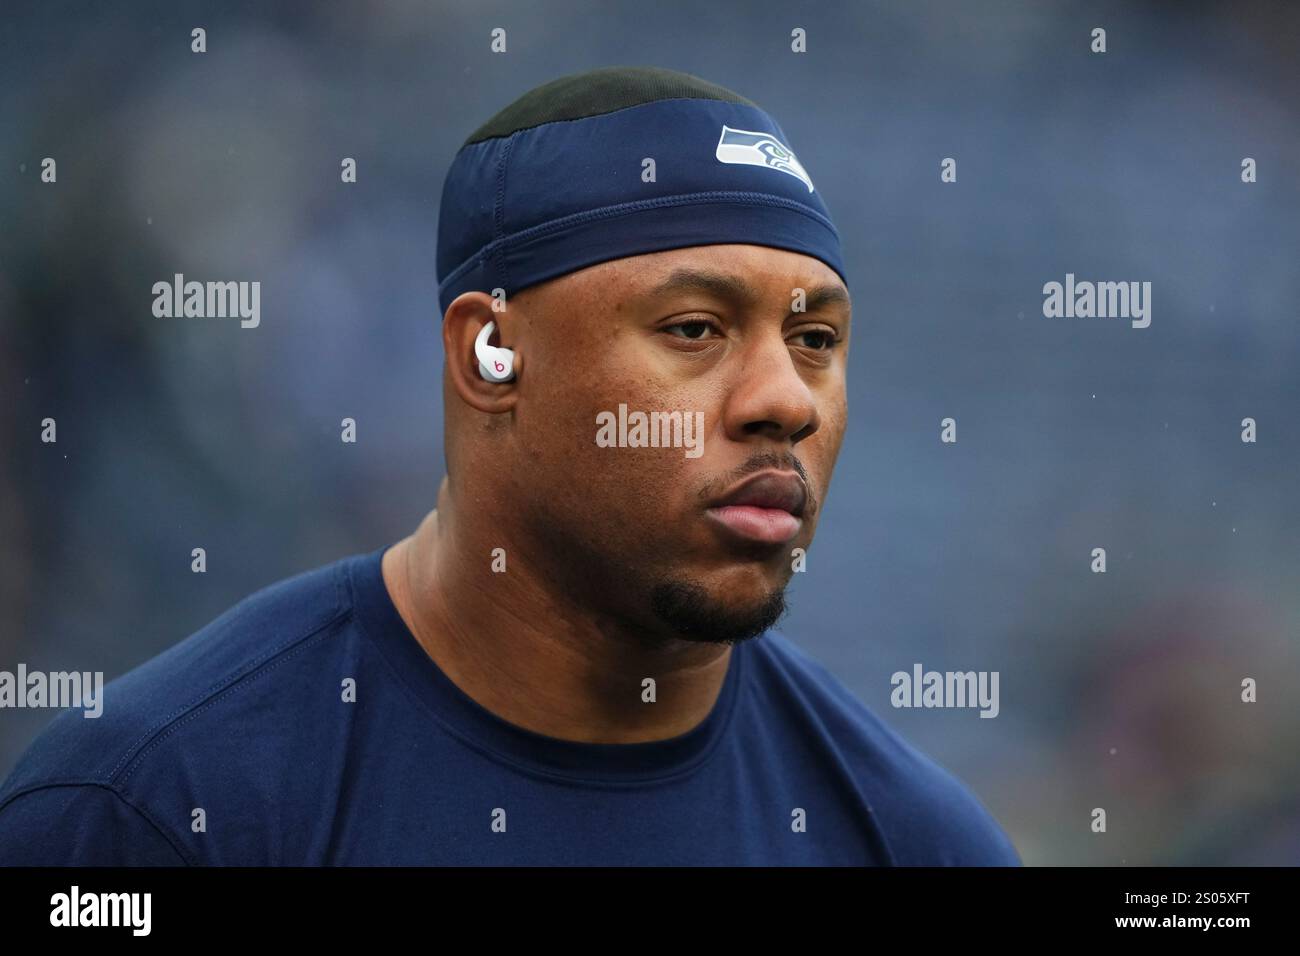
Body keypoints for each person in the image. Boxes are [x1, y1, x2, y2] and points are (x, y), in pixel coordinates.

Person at [0, 66, 1019, 865]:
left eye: (816, 341)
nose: (785, 401)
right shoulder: (155, 807)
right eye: (697, 326)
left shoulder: (916, 839)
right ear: (490, 356)